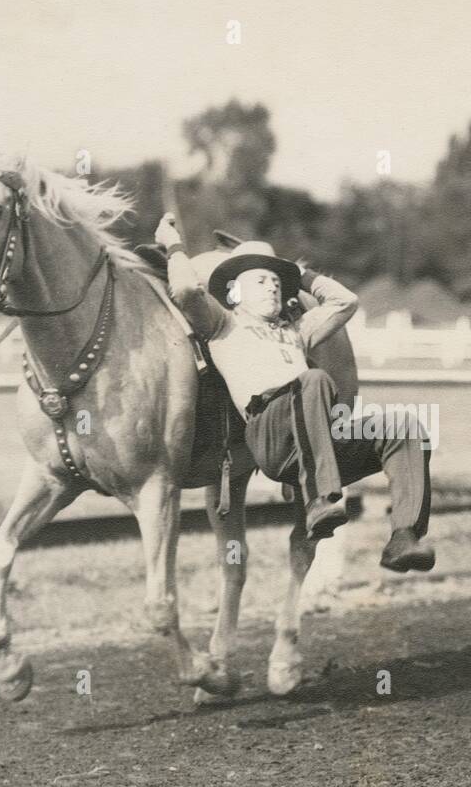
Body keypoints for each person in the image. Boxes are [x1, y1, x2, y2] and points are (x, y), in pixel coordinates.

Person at [153, 214, 435, 572]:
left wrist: (297, 274)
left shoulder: (298, 329)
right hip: (272, 436)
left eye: (275, 281)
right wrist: (173, 245)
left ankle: (404, 537)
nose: (271, 286)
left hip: (320, 441)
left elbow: (345, 302)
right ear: (234, 292)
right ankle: (320, 497)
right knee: (314, 380)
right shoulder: (223, 323)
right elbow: (187, 291)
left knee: (405, 427)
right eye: (260, 279)